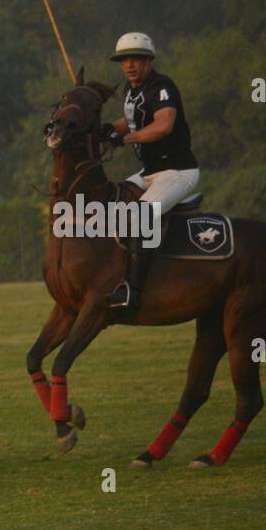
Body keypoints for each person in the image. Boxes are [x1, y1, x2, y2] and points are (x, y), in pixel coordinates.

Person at [100, 32, 199, 317]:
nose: (129, 65)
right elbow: (129, 122)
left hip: (177, 172)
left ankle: (132, 292)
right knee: (110, 208)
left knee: (138, 218)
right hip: (150, 173)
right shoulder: (131, 91)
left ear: (148, 60)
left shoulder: (162, 86)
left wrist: (127, 139)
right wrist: (108, 129)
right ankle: (112, 277)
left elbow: (163, 125)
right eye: (124, 60)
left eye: (136, 59)